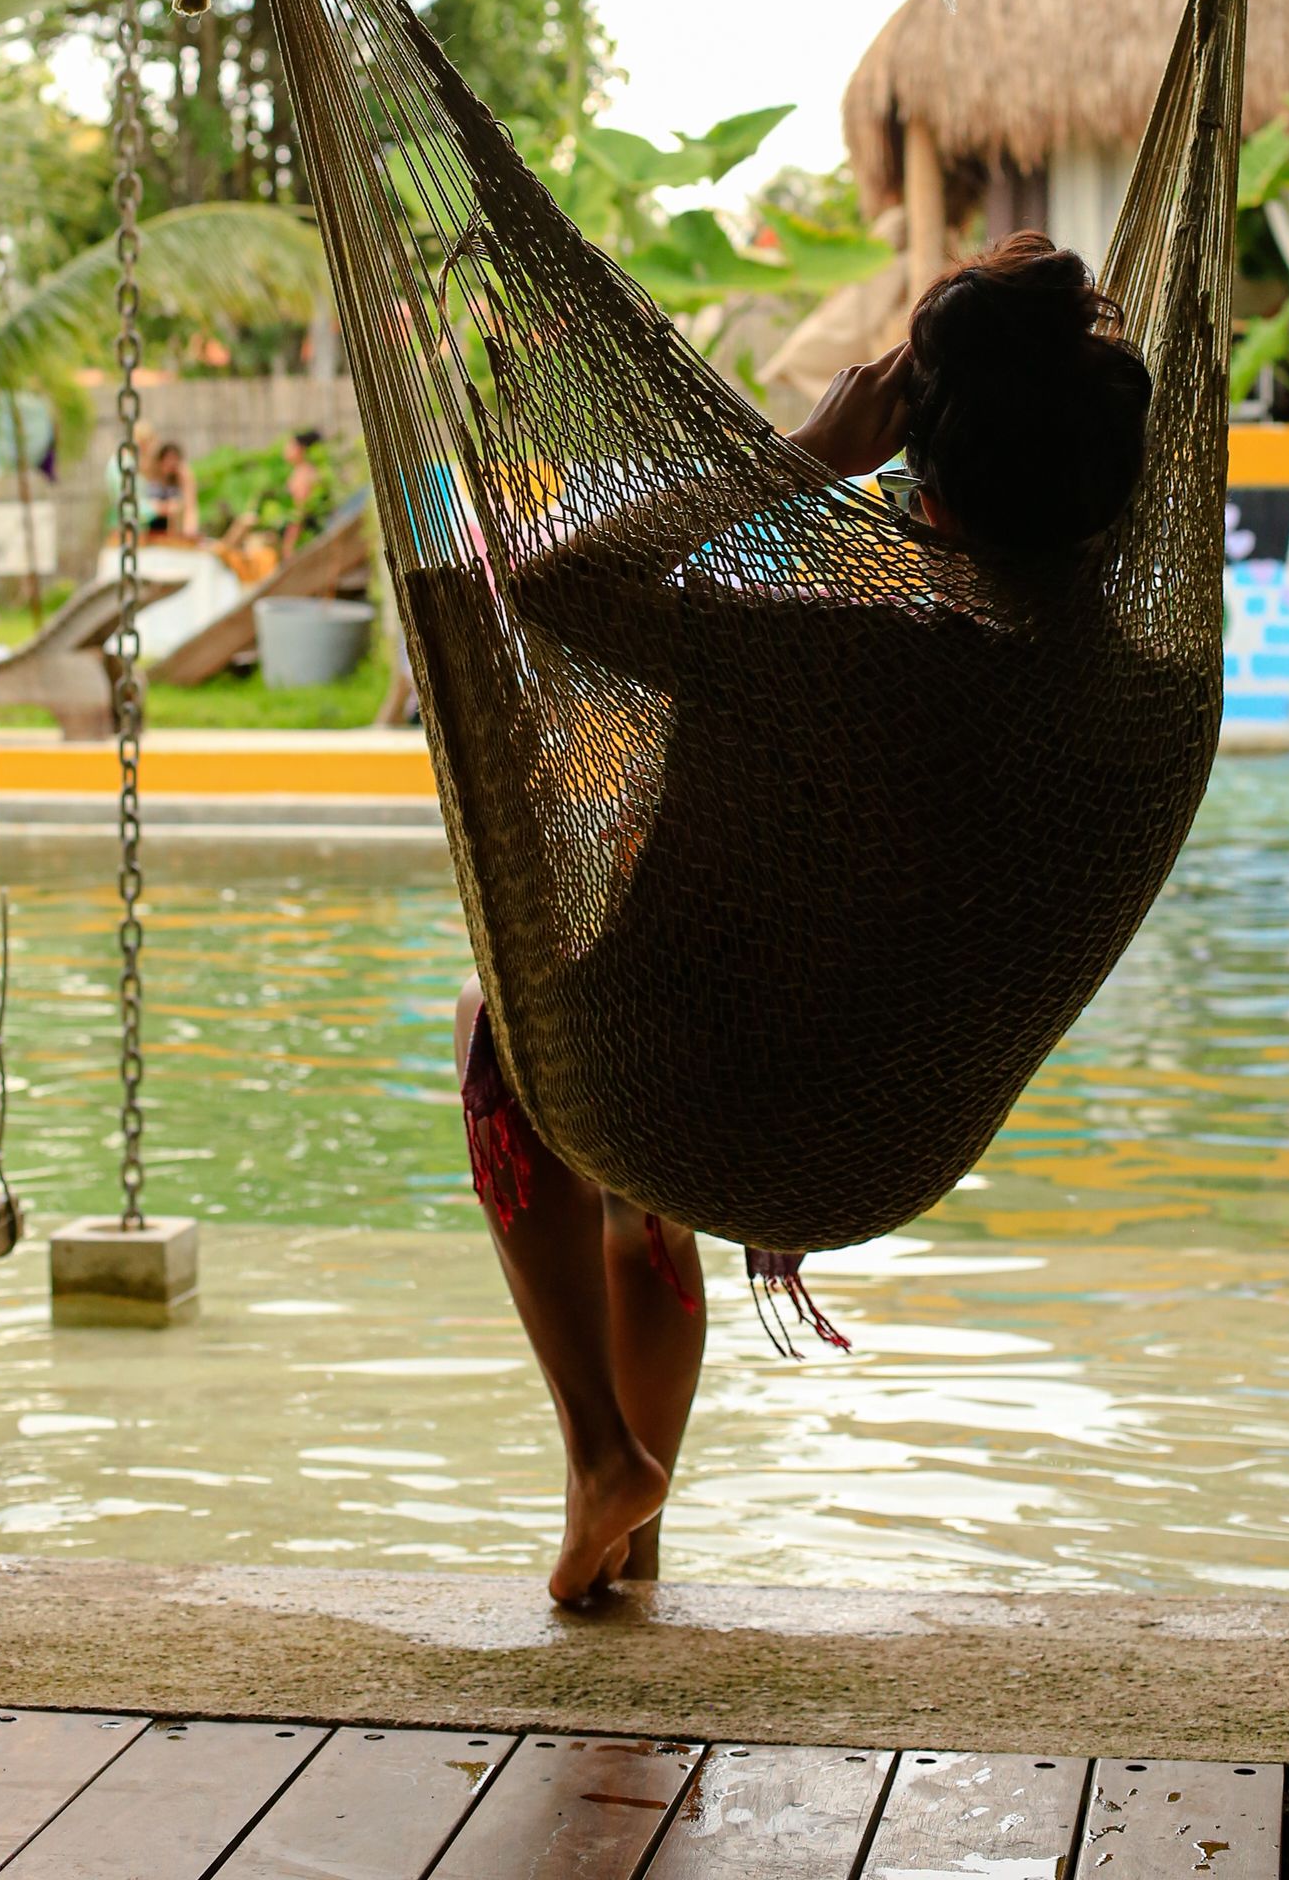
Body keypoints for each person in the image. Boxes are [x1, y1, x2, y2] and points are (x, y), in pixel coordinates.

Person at [450, 233, 1155, 1602]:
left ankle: (605, 1455)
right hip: (869, 1129)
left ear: (918, 455)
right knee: (647, 1173)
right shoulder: (1122, 688)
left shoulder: (828, 648)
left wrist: (805, 458)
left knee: (505, 1024)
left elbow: (537, 587)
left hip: (698, 1094)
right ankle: (637, 1536)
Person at [281, 427, 327, 557]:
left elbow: (299, 513)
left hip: (304, 538)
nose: (285, 449)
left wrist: (288, 546)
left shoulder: (303, 476)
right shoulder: (301, 472)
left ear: (300, 449)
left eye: (290, 445)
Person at [147, 440, 200, 543]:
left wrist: (187, 479)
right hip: (153, 529)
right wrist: (163, 507)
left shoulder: (180, 480)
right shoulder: (153, 479)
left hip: (174, 528)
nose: (171, 464)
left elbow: (190, 505)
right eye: (168, 459)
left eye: (174, 460)